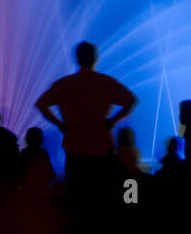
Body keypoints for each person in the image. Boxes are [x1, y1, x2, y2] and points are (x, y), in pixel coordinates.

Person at [35, 41, 137, 212]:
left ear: (77, 59)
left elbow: (41, 104)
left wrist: (59, 124)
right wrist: (112, 121)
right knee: (102, 199)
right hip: (101, 148)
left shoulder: (64, 84)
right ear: (95, 59)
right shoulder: (105, 82)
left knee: (77, 201)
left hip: (75, 148)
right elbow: (131, 100)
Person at [21, 127, 55, 191]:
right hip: (42, 189)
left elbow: (20, 174)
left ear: (27, 139)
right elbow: (52, 174)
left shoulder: (24, 153)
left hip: (27, 190)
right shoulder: (43, 153)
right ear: (41, 140)